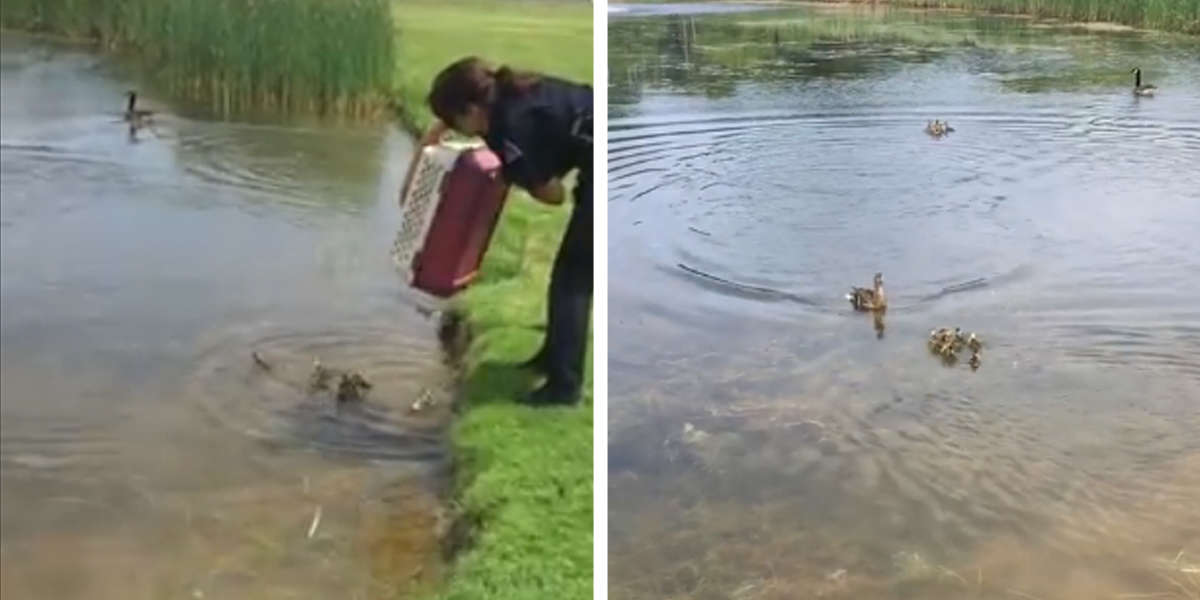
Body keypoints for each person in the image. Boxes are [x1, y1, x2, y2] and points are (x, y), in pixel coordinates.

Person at [420, 56, 592, 406]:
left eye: (454, 121)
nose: (454, 129)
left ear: (470, 110)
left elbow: (553, 197)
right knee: (565, 277)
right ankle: (553, 357)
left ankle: (564, 388)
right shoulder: (507, 94)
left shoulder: (510, 127)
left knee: (572, 281)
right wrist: (436, 133)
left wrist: (523, 176)